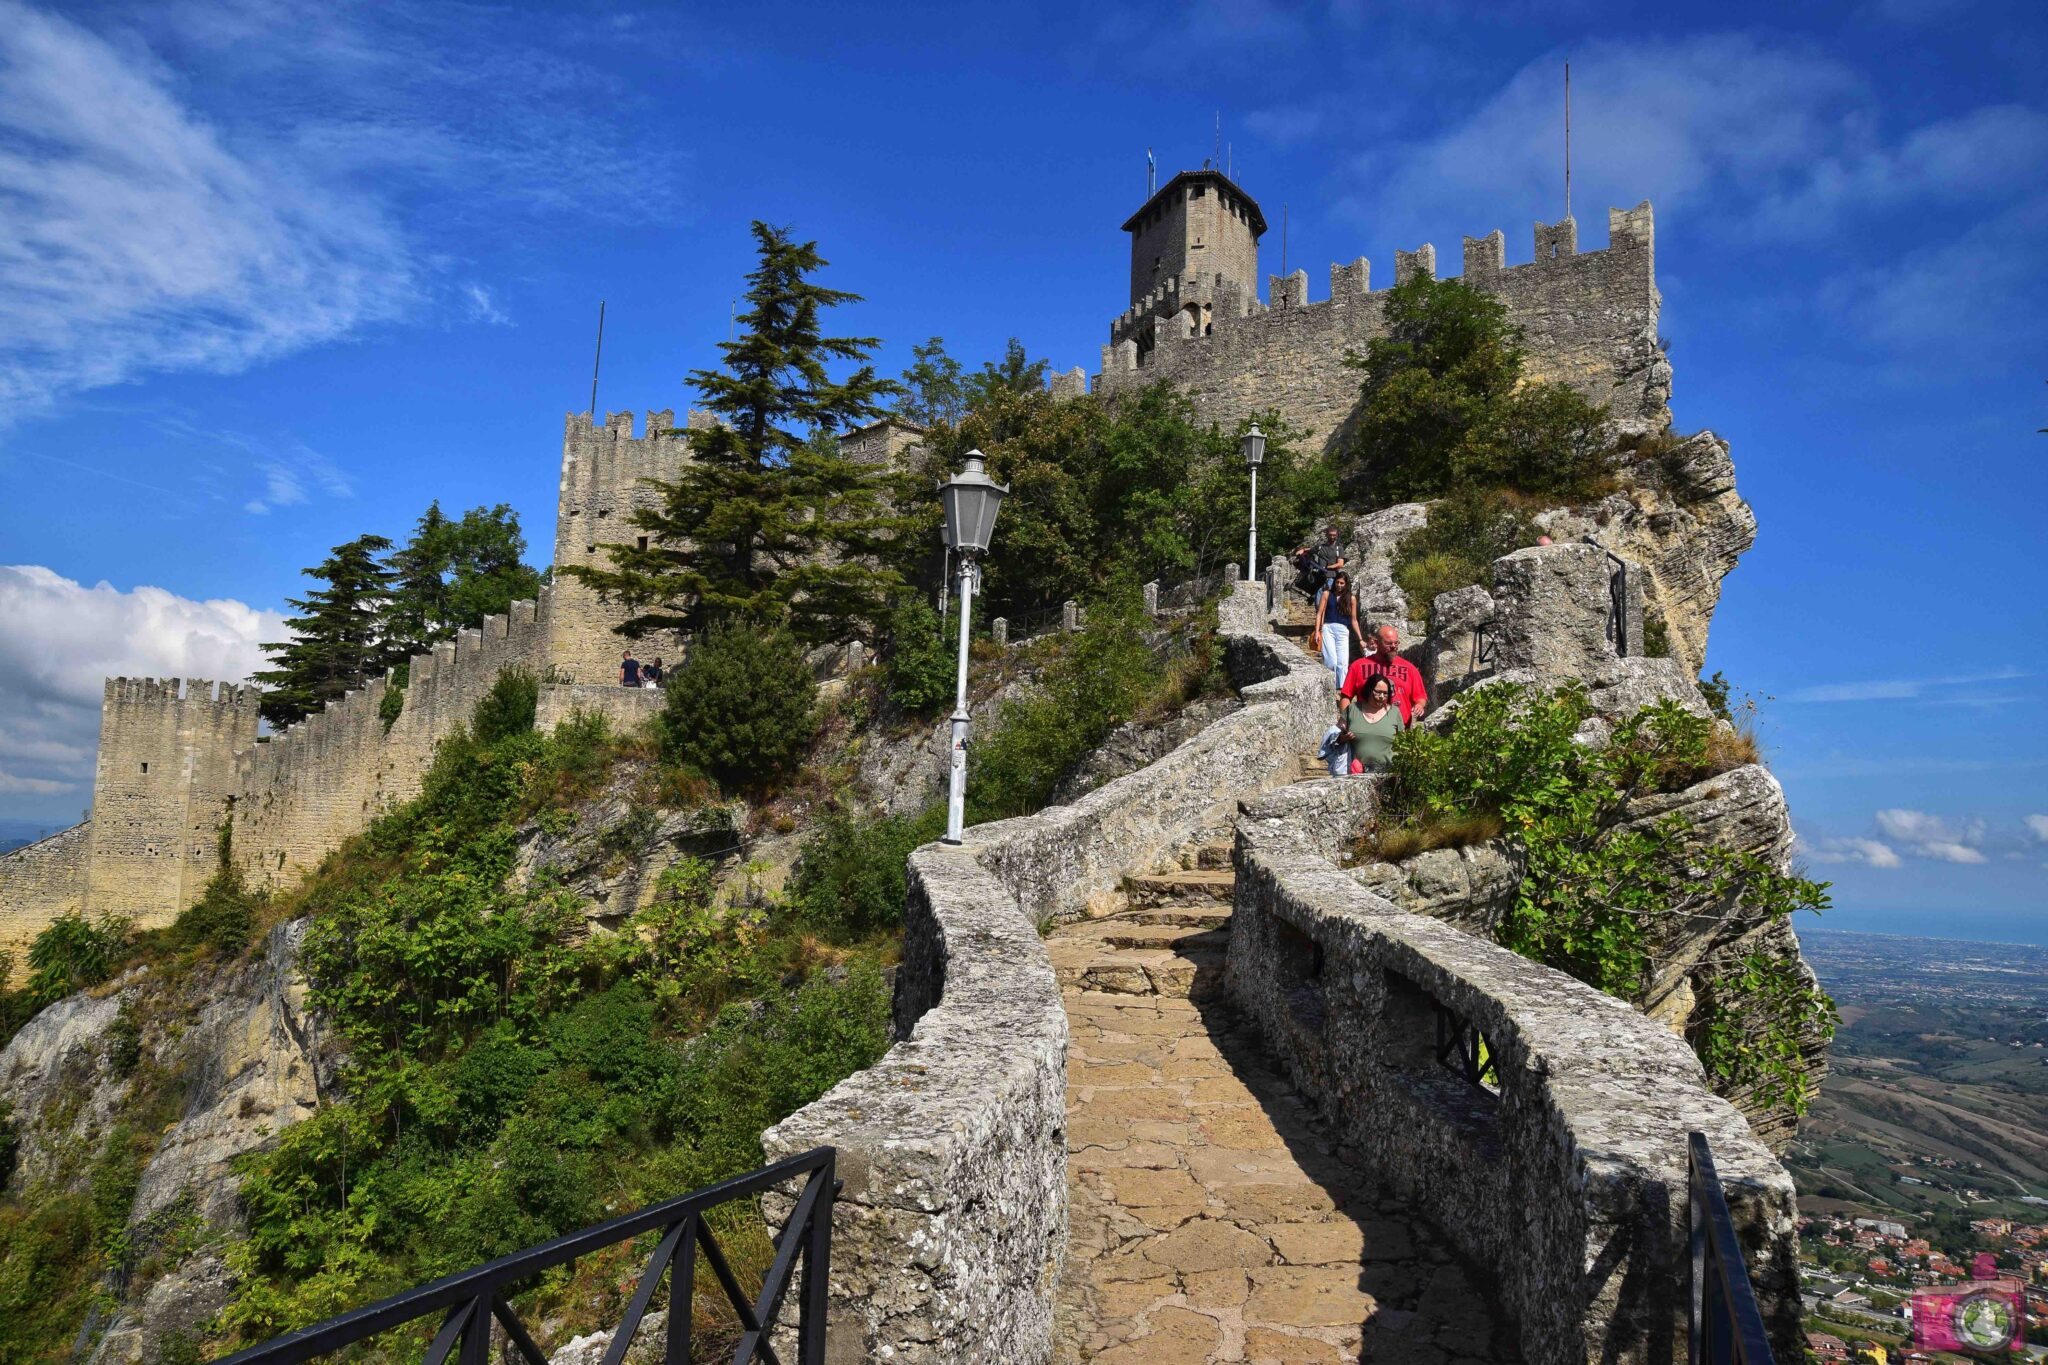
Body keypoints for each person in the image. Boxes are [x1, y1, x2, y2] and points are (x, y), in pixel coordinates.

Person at [1341, 625, 1428, 725]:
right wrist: (1346, 720)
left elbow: (1420, 696)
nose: (1393, 646)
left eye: (1396, 643)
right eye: (1388, 643)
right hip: (1367, 728)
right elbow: (1346, 696)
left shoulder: (1409, 668)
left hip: (1400, 731)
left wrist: (1419, 705)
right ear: (1377, 643)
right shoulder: (1358, 666)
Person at [1340, 672, 1402, 774]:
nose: (1382, 696)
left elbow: (1402, 742)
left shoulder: (1394, 712)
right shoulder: (1352, 709)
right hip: (1356, 773)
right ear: (1369, 690)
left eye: (1385, 693)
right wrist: (1342, 738)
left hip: (1387, 773)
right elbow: (1335, 735)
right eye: (1378, 692)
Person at [1312, 569, 1361, 689]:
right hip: (1328, 628)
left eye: (1342, 583)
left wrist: (1360, 638)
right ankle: (1330, 686)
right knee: (1331, 661)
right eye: (1337, 582)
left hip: (1343, 630)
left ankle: (1342, 689)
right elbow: (1319, 613)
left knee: (1342, 663)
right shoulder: (1327, 594)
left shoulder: (1351, 598)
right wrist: (1317, 631)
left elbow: (1354, 620)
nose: (1339, 585)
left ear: (1346, 584)